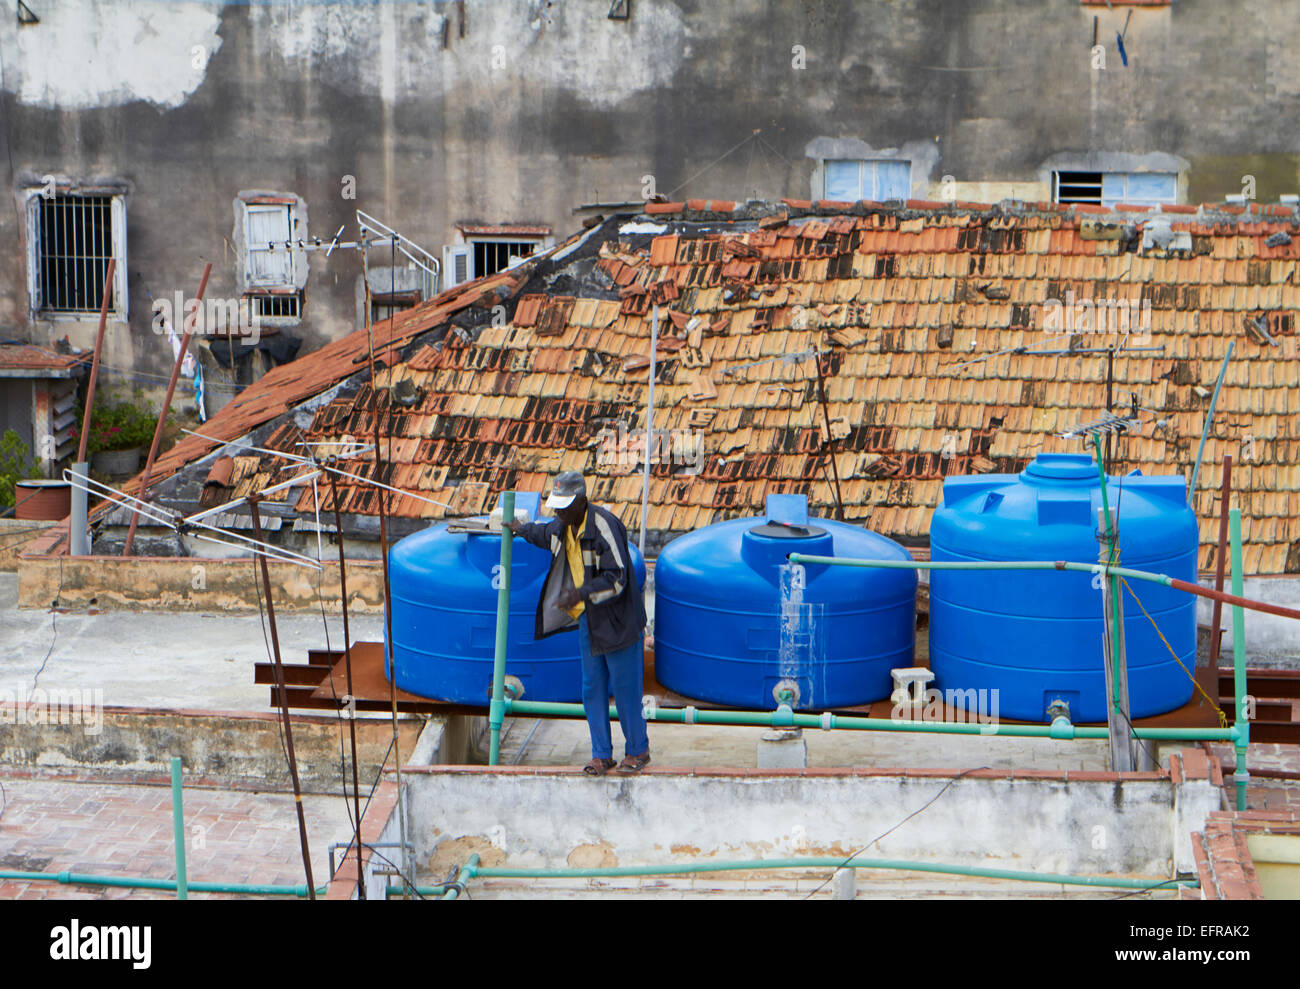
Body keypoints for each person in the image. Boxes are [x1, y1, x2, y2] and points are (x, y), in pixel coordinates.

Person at [503, 471, 650, 776]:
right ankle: (601, 755)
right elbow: (543, 534)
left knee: (625, 691)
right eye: (555, 506)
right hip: (589, 621)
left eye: (564, 506)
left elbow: (619, 580)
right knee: (592, 688)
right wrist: (520, 530)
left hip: (619, 622)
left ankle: (638, 750)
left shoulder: (604, 527)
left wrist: (580, 594)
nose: (558, 512)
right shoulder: (563, 526)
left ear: (582, 501)